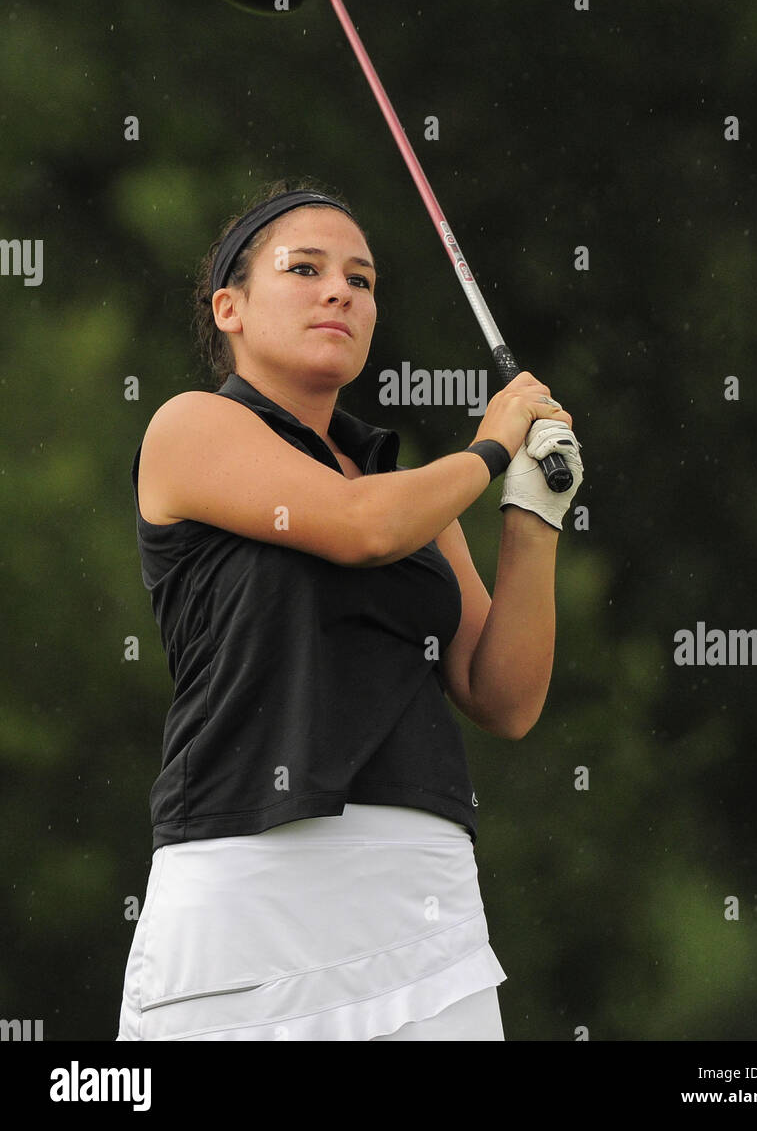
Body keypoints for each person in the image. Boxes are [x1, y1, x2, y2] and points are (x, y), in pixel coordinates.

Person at [115, 177, 583, 1041]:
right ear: (231, 309)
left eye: (361, 281)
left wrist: (534, 516)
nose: (340, 291)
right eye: (305, 269)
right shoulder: (190, 429)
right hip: (244, 881)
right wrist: (490, 445)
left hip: (423, 893)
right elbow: (361, 530)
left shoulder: (401, 491)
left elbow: (504, 698)